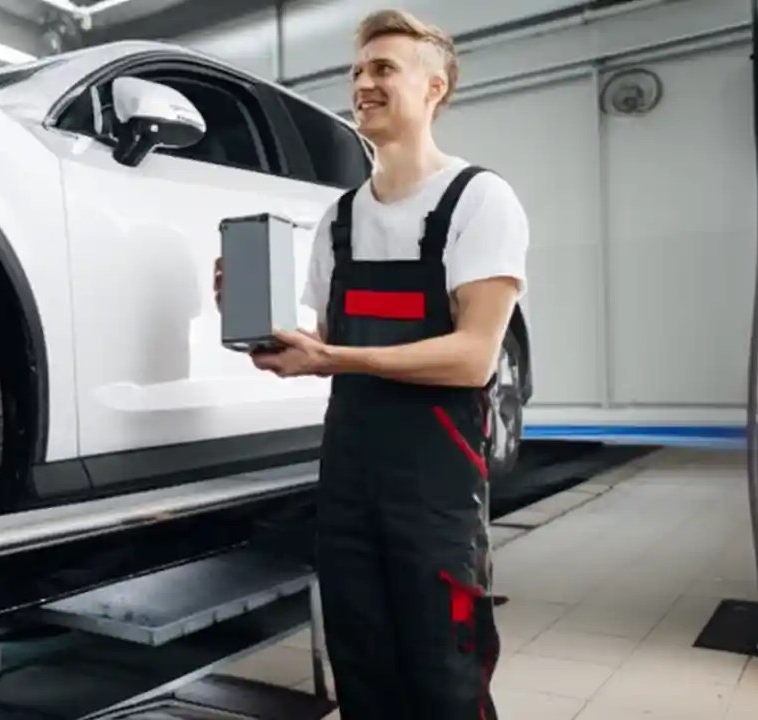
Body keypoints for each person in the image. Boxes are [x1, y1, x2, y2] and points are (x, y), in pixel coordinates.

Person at [214, 9, 529, 719]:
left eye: (383, 68)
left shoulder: (479, 200)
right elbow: (330, 343)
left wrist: (334, 356)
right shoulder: (341, 219)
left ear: (434, 88)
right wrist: (272, 337)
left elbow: (473, 358)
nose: (362, 83)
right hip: (349, 478)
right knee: (363, 673)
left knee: (444, 675)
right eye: (357, 71)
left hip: (436, 488)